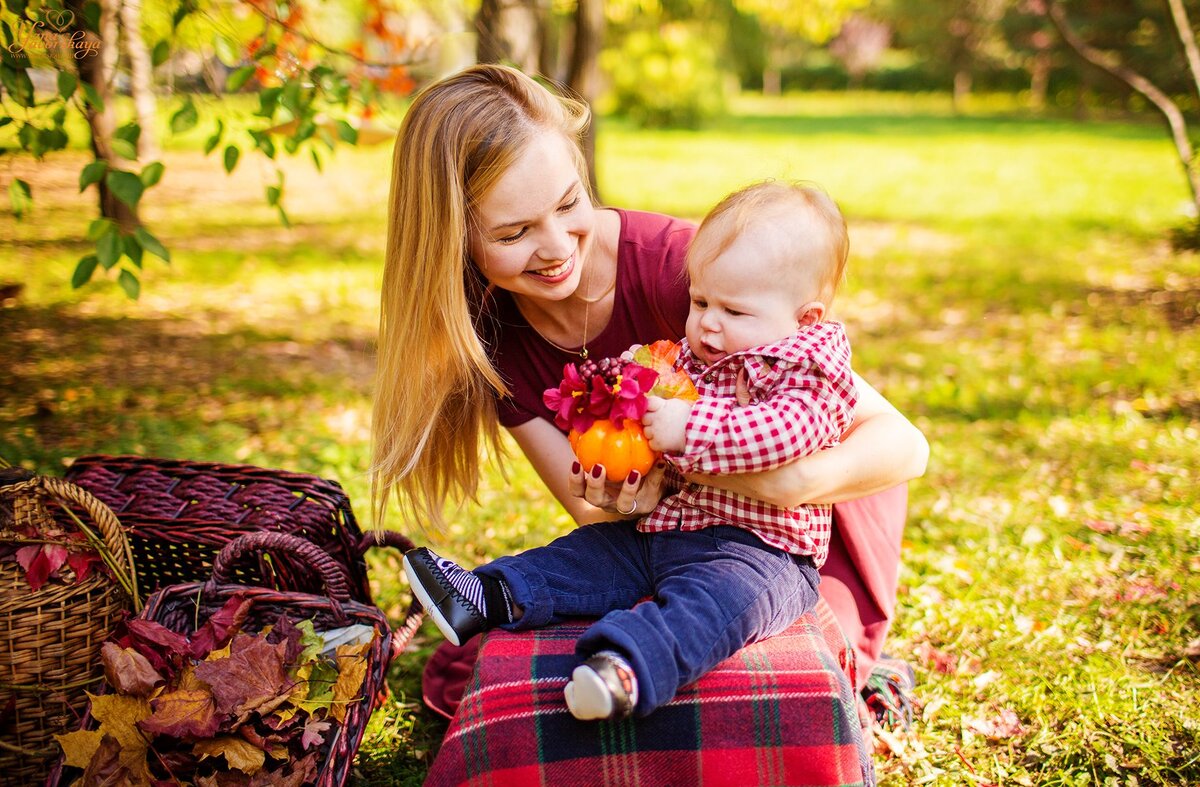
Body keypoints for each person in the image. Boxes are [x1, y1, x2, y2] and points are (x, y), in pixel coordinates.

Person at [370, 63, 928, 724]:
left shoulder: (692, 276)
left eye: (569, 203)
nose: (555, 248)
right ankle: (490, 594)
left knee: (758, 678)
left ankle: (634, 661)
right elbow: (599, 517)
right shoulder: (491, 342)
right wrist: (636, 490)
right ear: (454, 240)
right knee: (561, 602)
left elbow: (901, 444)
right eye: (514, 233)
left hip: (801, 529)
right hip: (667, 531)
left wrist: (791, 480)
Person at [405, 180, 863, 720]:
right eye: (699, 302)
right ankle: (486, 594)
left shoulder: (809, 368)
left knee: (708, 610)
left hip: (761, 553)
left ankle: (625, 670)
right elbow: (652, 383)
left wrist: (689, 427)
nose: (708, 323)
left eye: (733, 312)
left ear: (804, 319)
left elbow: (786, 433)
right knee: (585, 556)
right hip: (665, 529)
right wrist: (628, 388)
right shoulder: (707, 347)